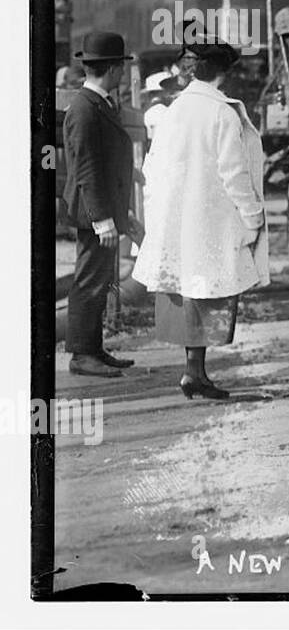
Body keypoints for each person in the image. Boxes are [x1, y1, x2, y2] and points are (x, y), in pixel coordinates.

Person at [132, 36, 270, 399]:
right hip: (212, 220)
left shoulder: (174, 109)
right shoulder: (221, 112)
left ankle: (194, 372)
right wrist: (252, 215)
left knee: (189, 293)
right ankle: (195, 372)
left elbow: (153, 167)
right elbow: (234, 173)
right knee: (208, 293)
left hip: (179, 217)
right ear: (223, 73)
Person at [62, 31, 144, 377]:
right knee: (89, 281)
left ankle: (92, 348)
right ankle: (82, 355)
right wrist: (102, 219)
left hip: (103, 209)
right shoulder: (85, 108)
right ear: (111, 69)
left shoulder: (97, 103)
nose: (123, 74)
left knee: (98, 278)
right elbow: (86, 168)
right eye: (121, 67)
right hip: (93, 212)